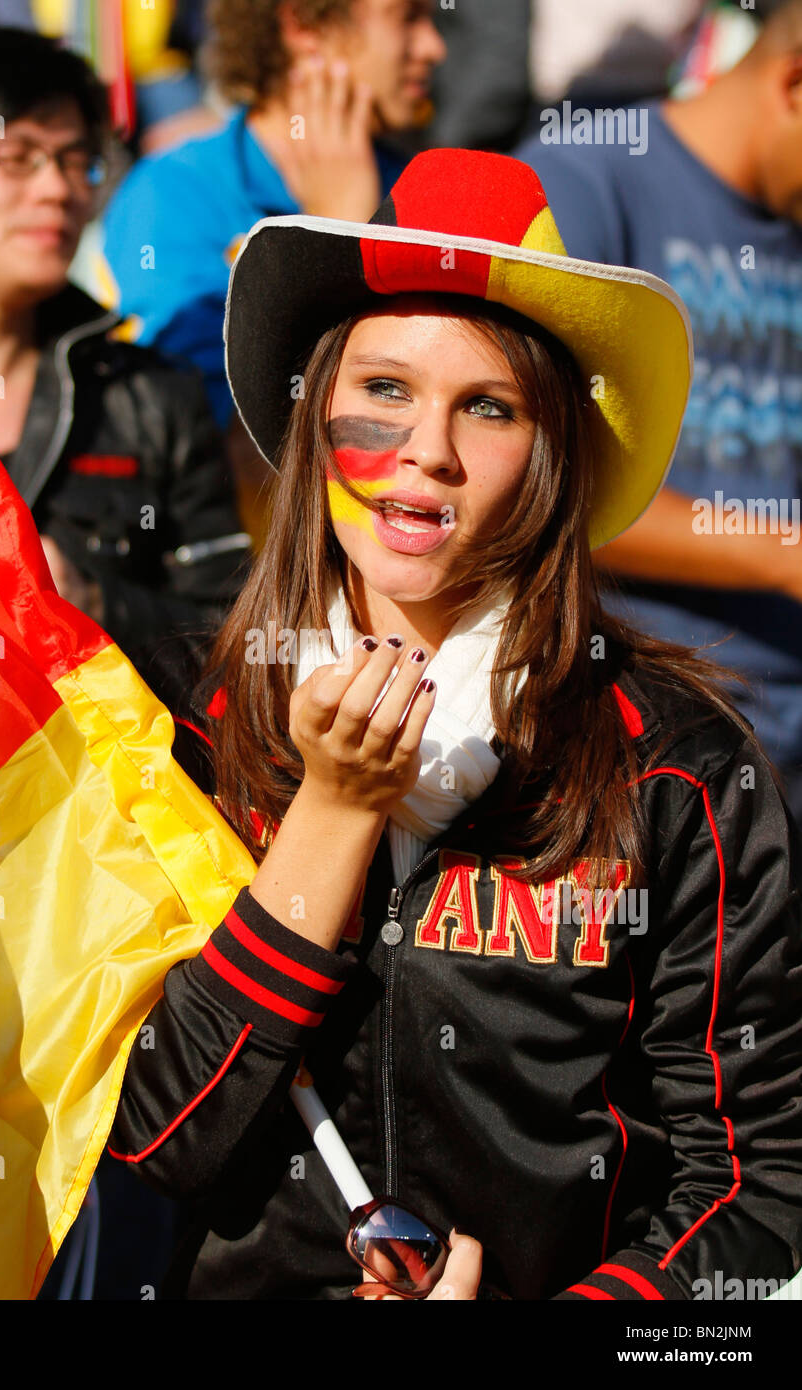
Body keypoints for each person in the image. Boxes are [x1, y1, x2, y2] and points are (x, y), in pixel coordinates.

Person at [107, 148, 802, 1300]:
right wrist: (331, 810)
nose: (423, 450)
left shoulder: (679, 768)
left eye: (486, 406)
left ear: (552, 454)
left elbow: (755, 1183)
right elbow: (150, 1139)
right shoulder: (179, 713)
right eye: (382, 390)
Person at [0, 25, 249, 706]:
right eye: (16, 155)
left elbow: (238, 647)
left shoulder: (150, 397)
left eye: (78, 160)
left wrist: (94, 601)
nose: (58, 188)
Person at [516, 0, 802, 818]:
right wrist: (786, 555)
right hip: (638, 743)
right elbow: (545, 481)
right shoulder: (588, 177)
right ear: (793, 81)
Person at [99, 0, 446, 433]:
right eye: (408, 17)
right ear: (303, 24)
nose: (434, 48)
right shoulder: (176, 194)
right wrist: (335, 242)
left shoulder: (427, 190)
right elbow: (203, 433)